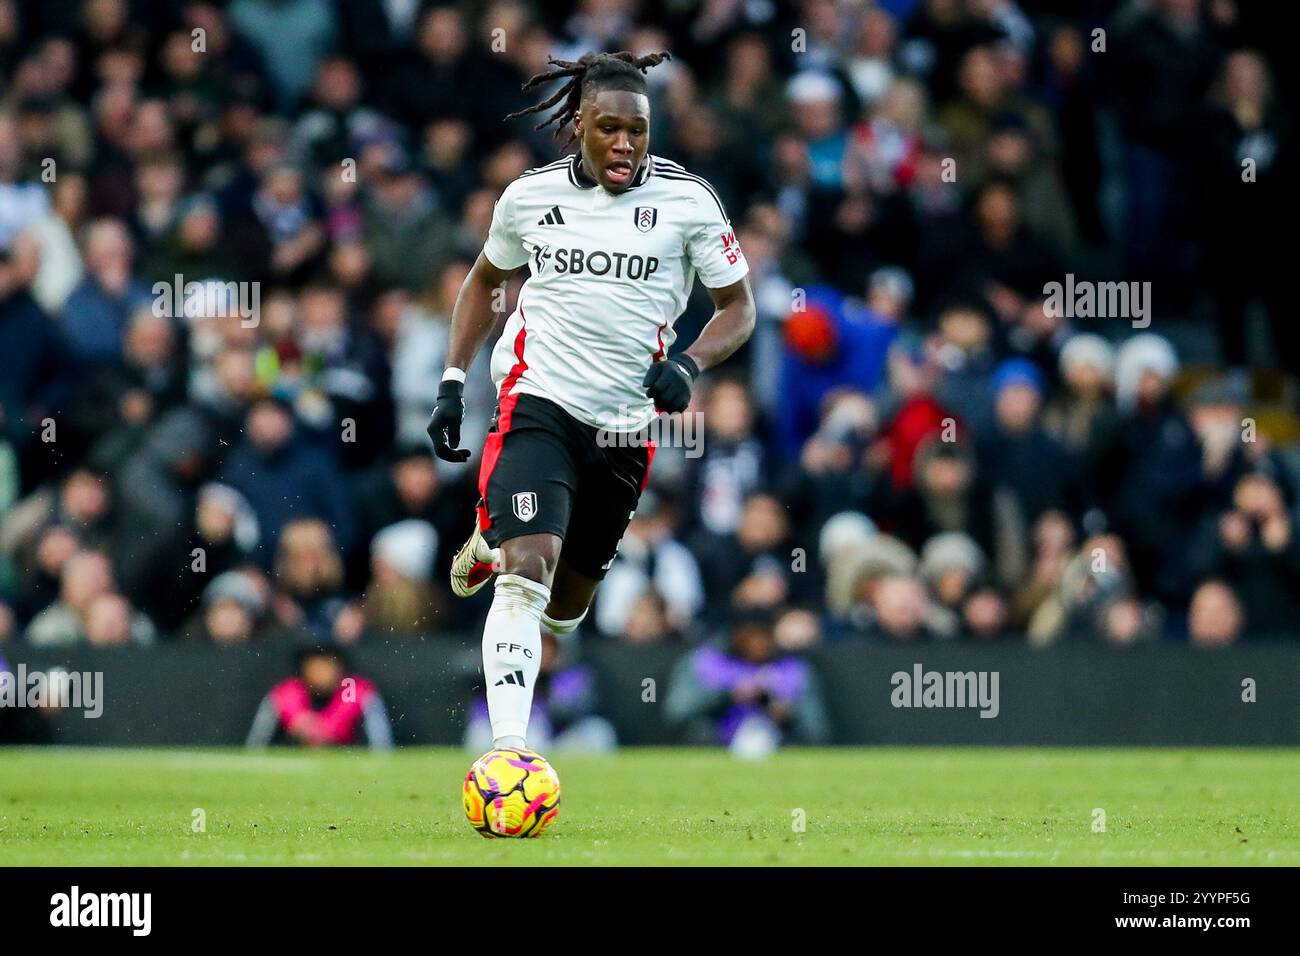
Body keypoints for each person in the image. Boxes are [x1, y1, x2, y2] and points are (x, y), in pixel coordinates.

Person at [424, 51, 755, 756]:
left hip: (623, 431)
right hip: (538, 401)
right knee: (527, 575)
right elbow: (486, 280)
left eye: (638, 130)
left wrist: (690, 363)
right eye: (609, 128)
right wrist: (453, 380)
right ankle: (509, 752)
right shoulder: (528, 197)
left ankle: (490, 537)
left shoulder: (689, 202)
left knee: (568, 612)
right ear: (578, 125)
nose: (625, 145)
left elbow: (739, 309)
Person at [245, 644, 393, 750]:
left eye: (328, 665)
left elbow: (381, 745)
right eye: (316, 666)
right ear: (305, 669)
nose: (323, 673)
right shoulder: (285, 694)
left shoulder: (357, 692)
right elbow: (256, 745)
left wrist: (326, 730)